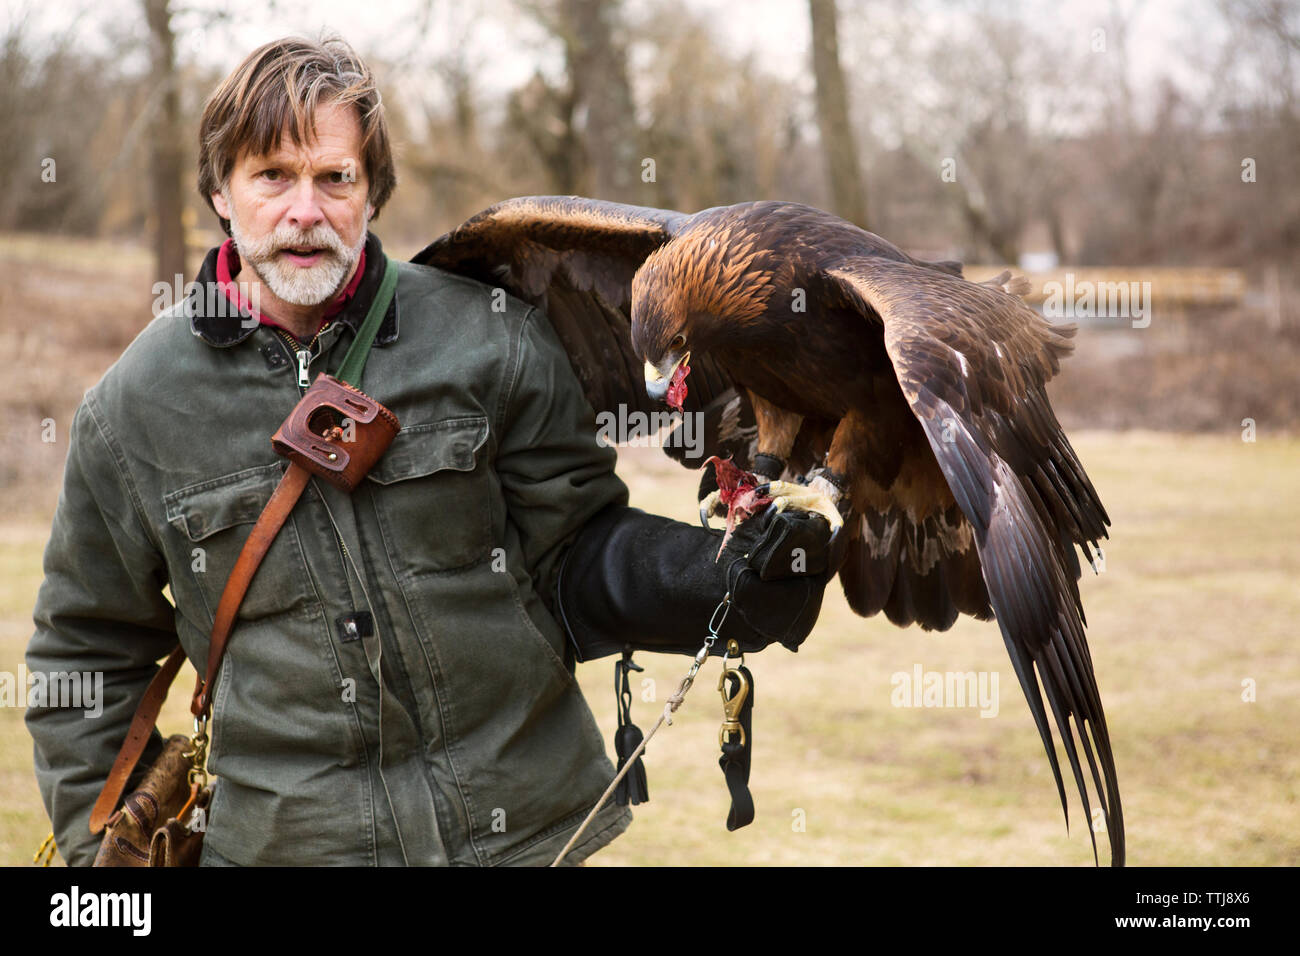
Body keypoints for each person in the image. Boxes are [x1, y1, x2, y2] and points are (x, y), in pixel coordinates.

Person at [25, 35, 839, 867]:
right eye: (272, 175)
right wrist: (108, 870)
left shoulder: (490, 337)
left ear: (371, 191)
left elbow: (575, 557)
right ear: (220, 193)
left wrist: (716, 578)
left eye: (335, 178)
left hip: (521, 840)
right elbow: (81, 654)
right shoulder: (133, 409)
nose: (305, 210)